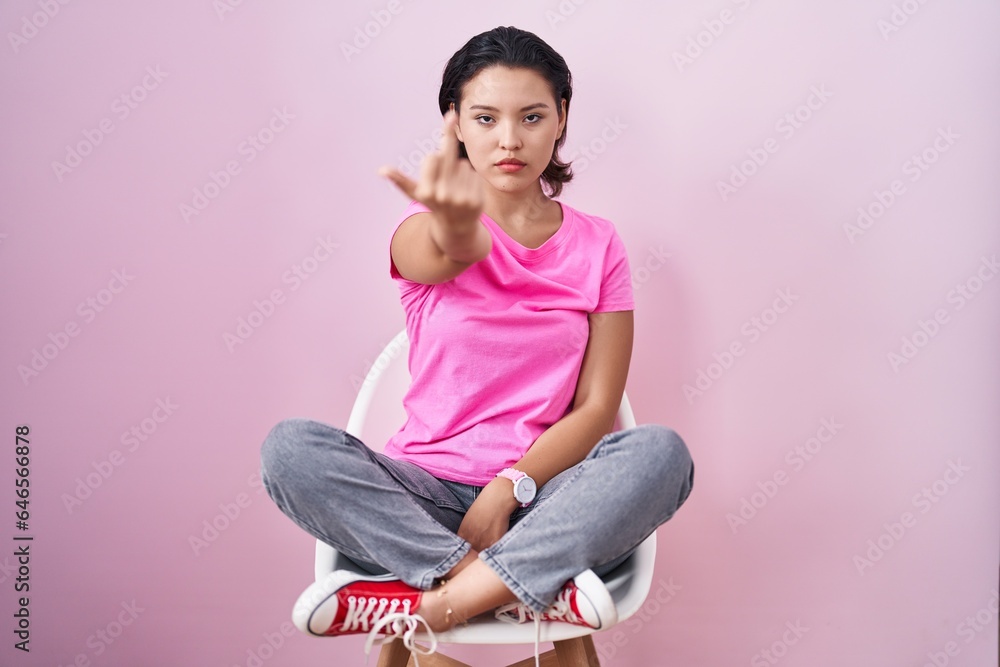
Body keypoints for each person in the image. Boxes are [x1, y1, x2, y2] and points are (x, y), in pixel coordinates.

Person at [259, 25, 694, 666]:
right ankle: (511, 585)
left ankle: (433, 604)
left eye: (532, 116)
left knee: (661, 454)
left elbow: (599, 408)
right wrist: (460, 229)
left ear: (562, 119)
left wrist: (509, 488)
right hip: (421, 499)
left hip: (543, 499)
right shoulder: (423, 231)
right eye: (486, 118)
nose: (509, 139)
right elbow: (445, 252)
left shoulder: (599, 244)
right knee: (289, 449)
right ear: (455, 124)